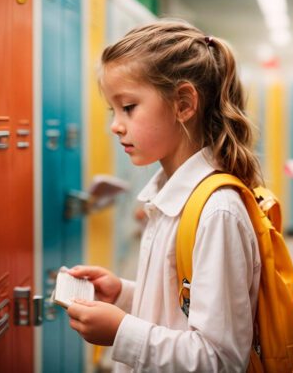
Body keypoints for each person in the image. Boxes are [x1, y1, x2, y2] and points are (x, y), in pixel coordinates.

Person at [64, 20, 263, 372]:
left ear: (183, 104)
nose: (115, 125)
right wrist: (123, 294)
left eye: (128, 107)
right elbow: (180, 306)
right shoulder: (169, 195)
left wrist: (122, 332)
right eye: (114, 110)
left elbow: (220, 358)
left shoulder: (217, 213)